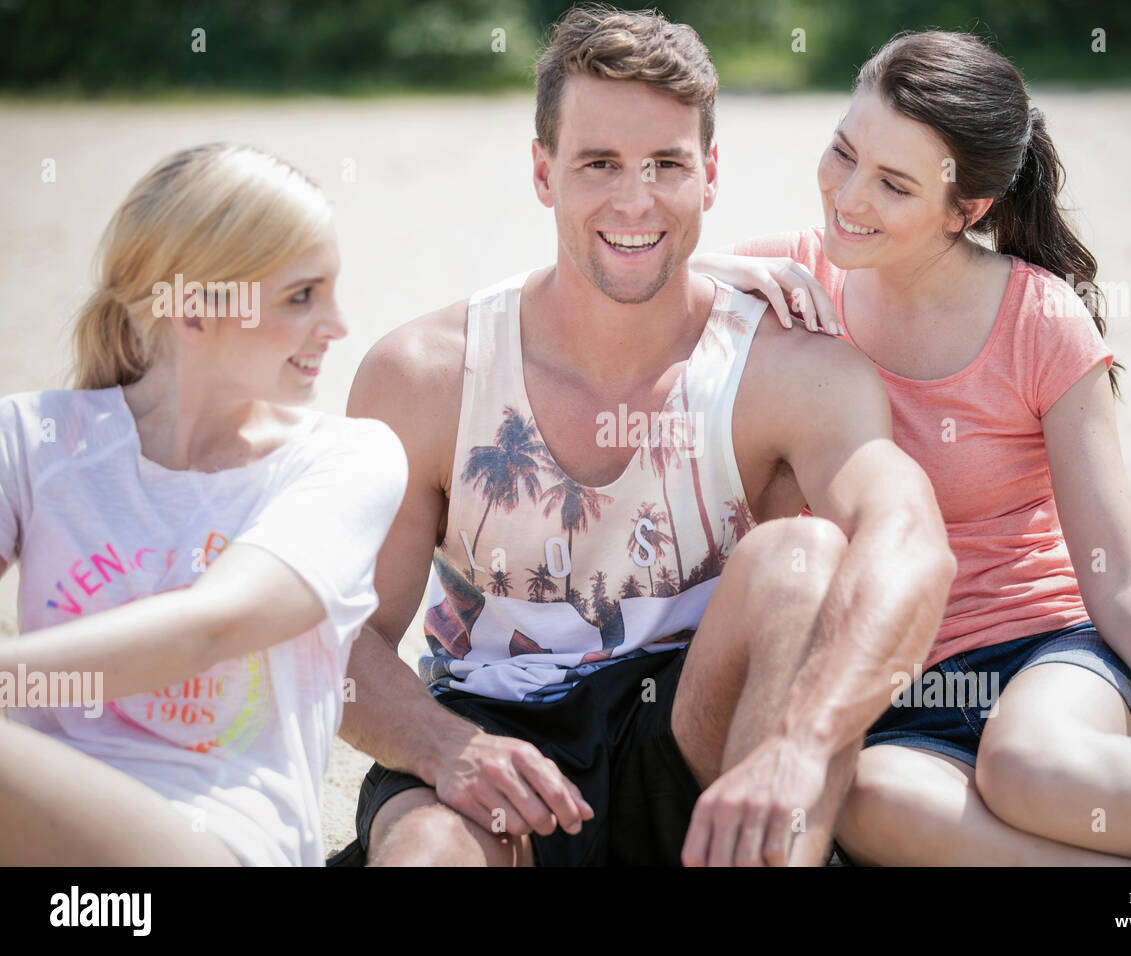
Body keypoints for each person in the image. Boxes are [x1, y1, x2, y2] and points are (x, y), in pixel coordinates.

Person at [331, 5, 954, 868]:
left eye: (667, 163)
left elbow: (911, 542)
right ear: (544, 171)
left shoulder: (794, 371)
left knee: (804, 556)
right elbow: (336, 641)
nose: (636, 198)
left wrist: (803, 748)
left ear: (710, 175)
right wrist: (442, 748)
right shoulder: (424, 376)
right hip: (492, 740)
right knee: (424, 856)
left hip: (697, 737)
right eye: (599, 164)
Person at [695, 30, 1131, 865]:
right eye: (844, 151)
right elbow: (632, 297)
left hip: (1052, 660)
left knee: (1027, 765)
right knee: (867, 797)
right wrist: (705, 275)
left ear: (966, 209)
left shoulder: (1040, 320)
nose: (849, 195)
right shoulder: (786, 285)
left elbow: (1120, 578)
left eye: (894, 184)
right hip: (894, 692)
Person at [0, 143, 408, 866]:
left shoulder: (350, 459)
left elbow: (210, 627)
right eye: (301, 296)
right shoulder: (30, 439)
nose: (338, 324)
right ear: (191, 309)